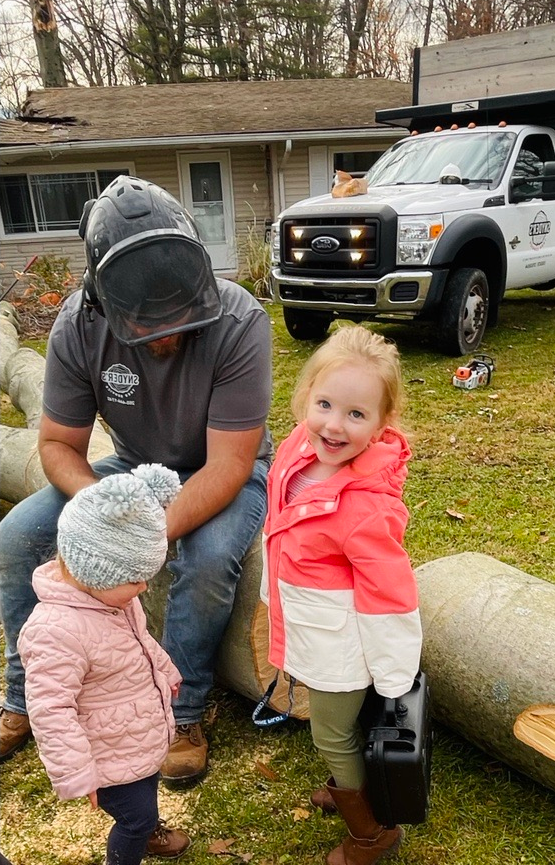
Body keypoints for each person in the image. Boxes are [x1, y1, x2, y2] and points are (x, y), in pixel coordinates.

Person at [0, 176, 273, 793]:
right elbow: (58, 446)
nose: (170, 334)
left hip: (227, 469)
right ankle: (23, 699)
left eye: (180, 314)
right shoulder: (78, 326)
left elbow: (228, 466)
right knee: (16, 537)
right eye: (151, 325)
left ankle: (183, 713)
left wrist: (144, 536)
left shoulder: (240, 322)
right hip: (129, 469)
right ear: (105, 301)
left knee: (204, 561)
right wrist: (98, 506)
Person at [262, 325, 422, 865]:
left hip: (343, 644)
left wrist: (395, 671)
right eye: (325, 404)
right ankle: (347, 784)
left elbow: (390, 591)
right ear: (306, 395)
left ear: (382, 423)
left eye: (356, 414)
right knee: (339, 725)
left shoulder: (366, 507)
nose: (334, 425)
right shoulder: (297, 449)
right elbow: (278, 524)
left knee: (331, 732)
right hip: (312, 626)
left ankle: (372, 834)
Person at [18, 465, 190, 862]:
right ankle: (135, 841)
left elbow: (139, 642)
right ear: (94, 571)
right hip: (105, 756)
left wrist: (164, 671)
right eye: (136, 579)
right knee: (134, 817)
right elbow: (50, 710)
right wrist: (78, 774)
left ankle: (148, 828)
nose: (144, 587)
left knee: (145, 792)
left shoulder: (114, 599)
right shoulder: (55, 631)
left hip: (132, 737)